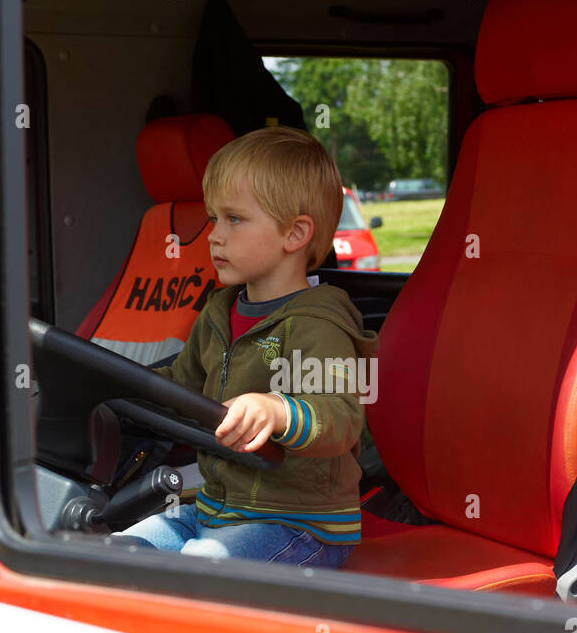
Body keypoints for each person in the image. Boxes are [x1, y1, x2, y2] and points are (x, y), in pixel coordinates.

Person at [111, 126, 379, 568]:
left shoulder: (318, 323)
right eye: (214, 219)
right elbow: (180, 388)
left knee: (198, 574)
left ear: (294, 235)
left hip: (298, 525)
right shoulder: (219, 313)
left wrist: (276, 410)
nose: (214, 235)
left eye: (234, 219)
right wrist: (114, 386)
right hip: (212, 510)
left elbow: (341, 417)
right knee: (115, 554)